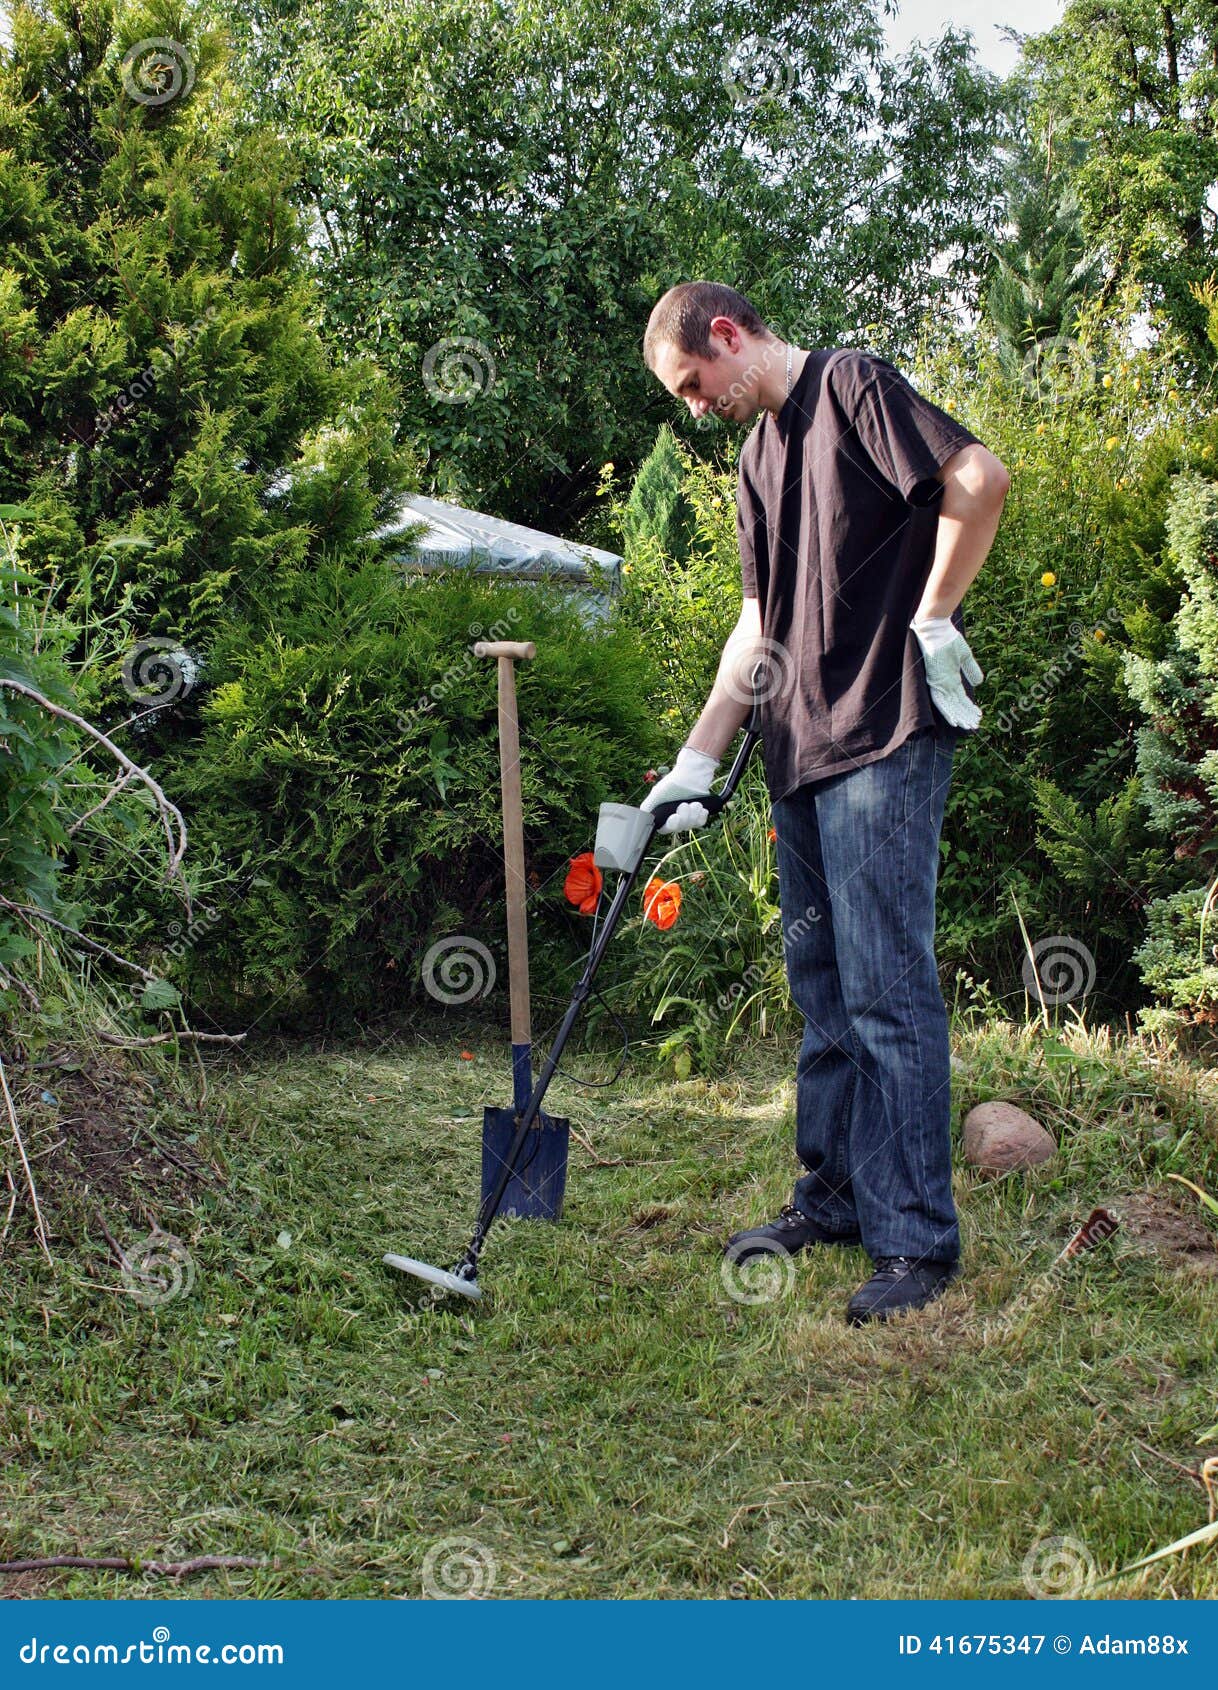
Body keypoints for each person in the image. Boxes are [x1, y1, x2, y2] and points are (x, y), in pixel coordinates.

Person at [640, 281, 1010, 1325]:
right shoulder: (759, 461)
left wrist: (933, 621)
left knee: (889, 990)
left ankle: (916, 1246)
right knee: (825, 993)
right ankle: (837, 1199)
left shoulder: (852, 387)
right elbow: (755, 630)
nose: (696, 406)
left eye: (694, 383)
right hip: (795, 750)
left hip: (883, 735)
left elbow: (978, 482)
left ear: (727, 333)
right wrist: (695, 762)